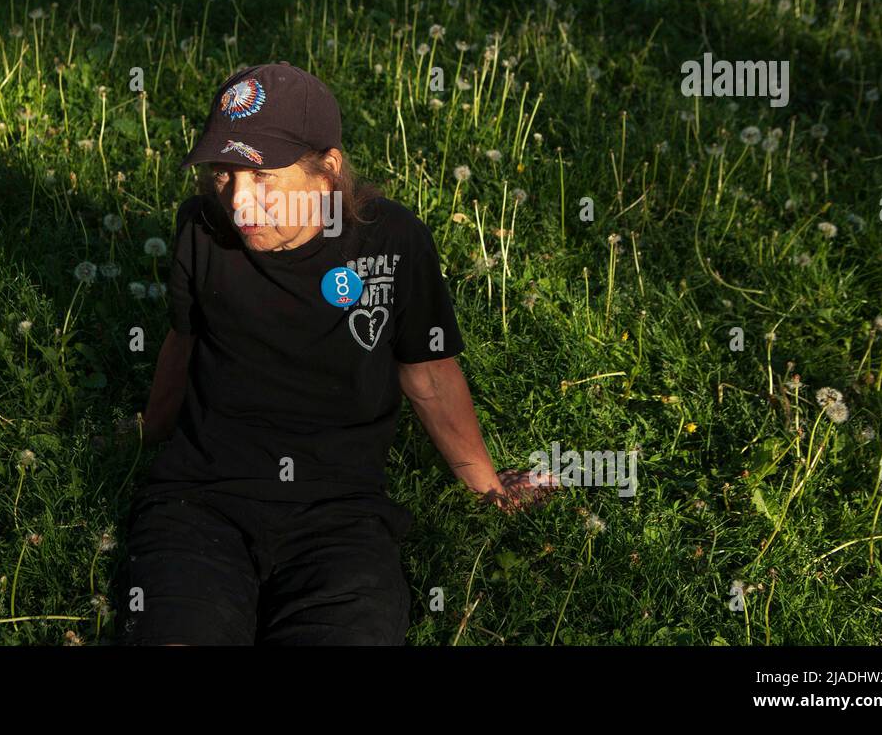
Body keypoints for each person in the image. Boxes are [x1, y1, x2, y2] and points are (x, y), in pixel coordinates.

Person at [116, 61, 556, 646]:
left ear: (326, 172)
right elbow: (183, 342)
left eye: (263, 177)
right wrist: (144, 438)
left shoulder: (390, 241)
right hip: (199, 503)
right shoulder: (201, 230)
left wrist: (490, 491)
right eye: (223, 175)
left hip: (340, 516)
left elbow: (427, 375)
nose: (239, 202)